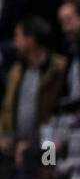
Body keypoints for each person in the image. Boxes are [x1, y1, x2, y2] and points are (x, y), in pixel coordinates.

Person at [0, 15, 67, 145]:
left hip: (50, 142)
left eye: (17, 36)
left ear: (30, 40)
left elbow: (60, 113)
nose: (14, 43)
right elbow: (7, 107)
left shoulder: (60, 69)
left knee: (48, 164)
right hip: (15, 145)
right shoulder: (17, 70)